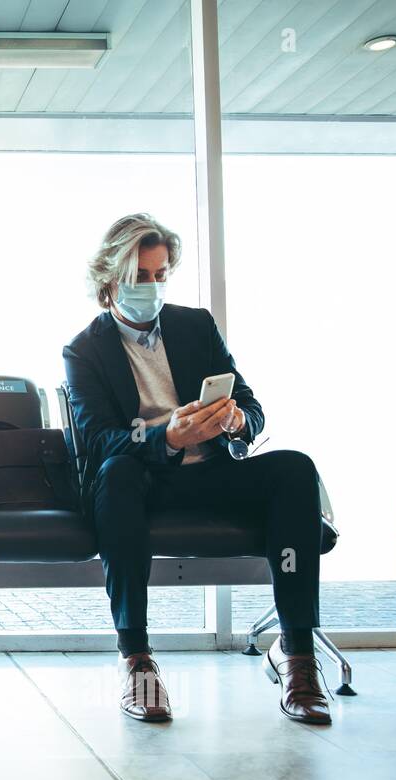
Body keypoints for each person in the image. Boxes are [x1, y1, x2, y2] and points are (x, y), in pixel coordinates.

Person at [62, 214, 331, 725]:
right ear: (109, 280)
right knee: (116, 473)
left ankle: (297, 656)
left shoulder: (195, 326)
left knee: (295, 468)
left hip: (210, 473)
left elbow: (252, 406)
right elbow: (98, 441)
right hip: (144, 481)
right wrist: (165, 437)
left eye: (161, 274)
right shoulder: (84, 349)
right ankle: (136, 659)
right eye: (142, 275)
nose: (153, 286)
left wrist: (236, 420)